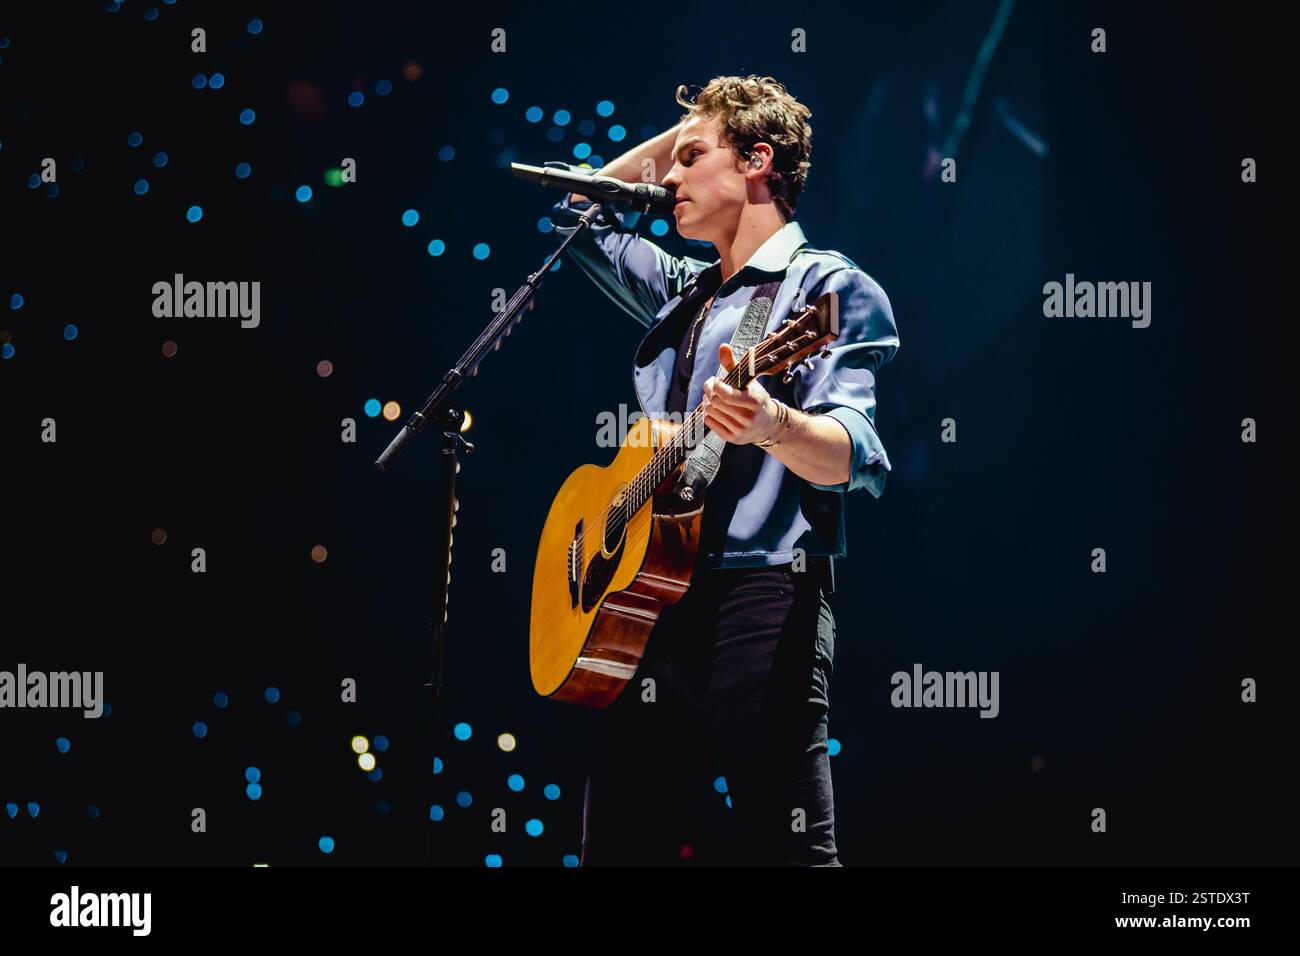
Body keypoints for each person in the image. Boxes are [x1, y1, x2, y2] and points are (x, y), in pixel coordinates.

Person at [549, 75, 900, 866]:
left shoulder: (829, 289)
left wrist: (772, 421)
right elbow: (576, 211)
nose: (667, 179)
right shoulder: (684, 293)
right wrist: (678, 138)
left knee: (789, 850)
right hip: (645, 600)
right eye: (670, 163)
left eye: (690, 158)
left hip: (763, 596)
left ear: (757, 161)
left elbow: (857, 454)